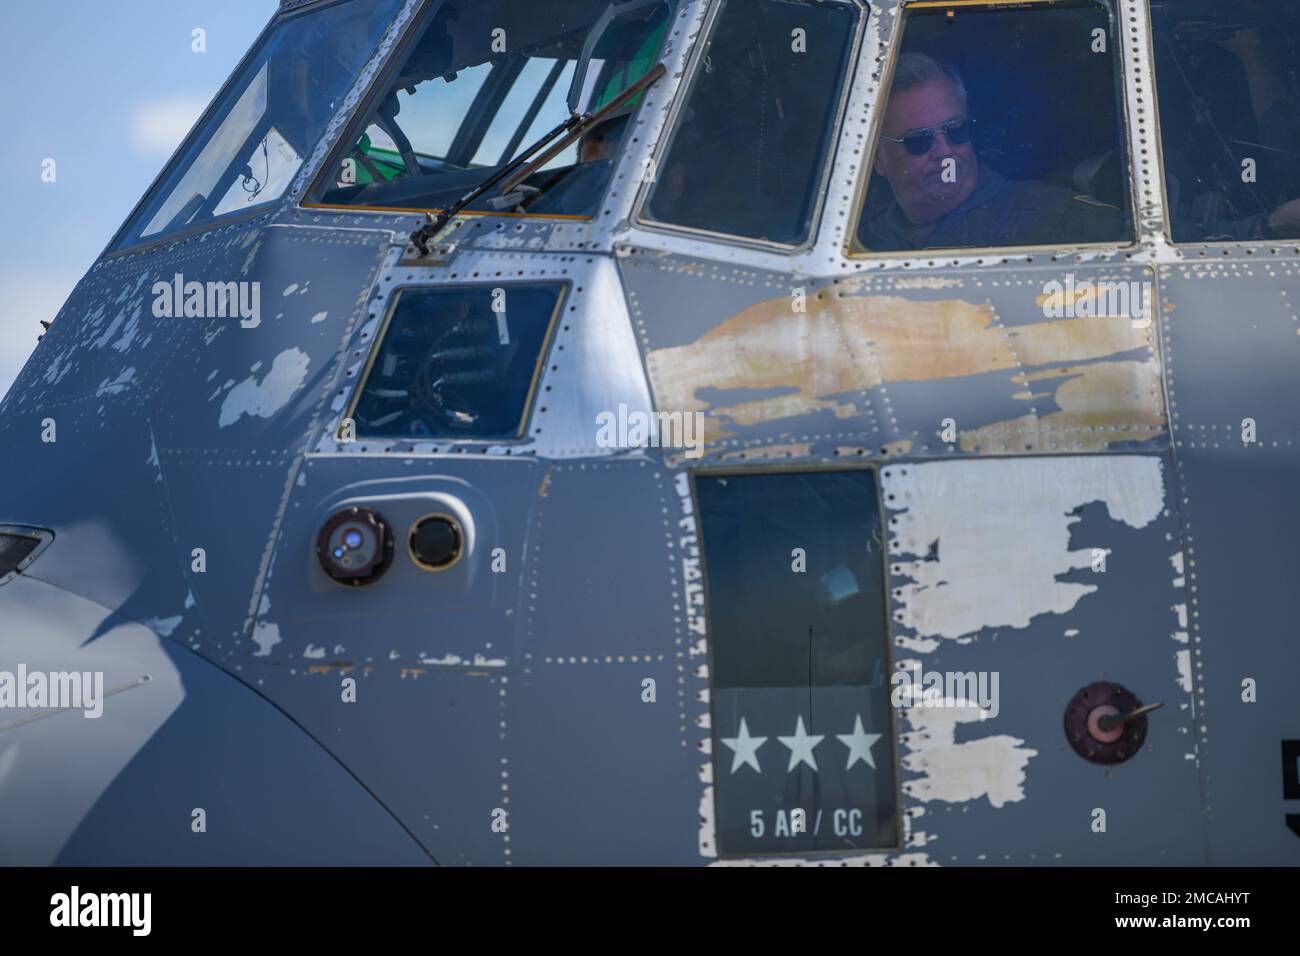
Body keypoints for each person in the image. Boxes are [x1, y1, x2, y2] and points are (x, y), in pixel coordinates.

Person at [860, 53, 1128, 252]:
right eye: (918, 141)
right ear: (878, 160)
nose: (944, 151)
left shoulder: (1064, 223)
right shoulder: (863, 241)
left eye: (956, 131)